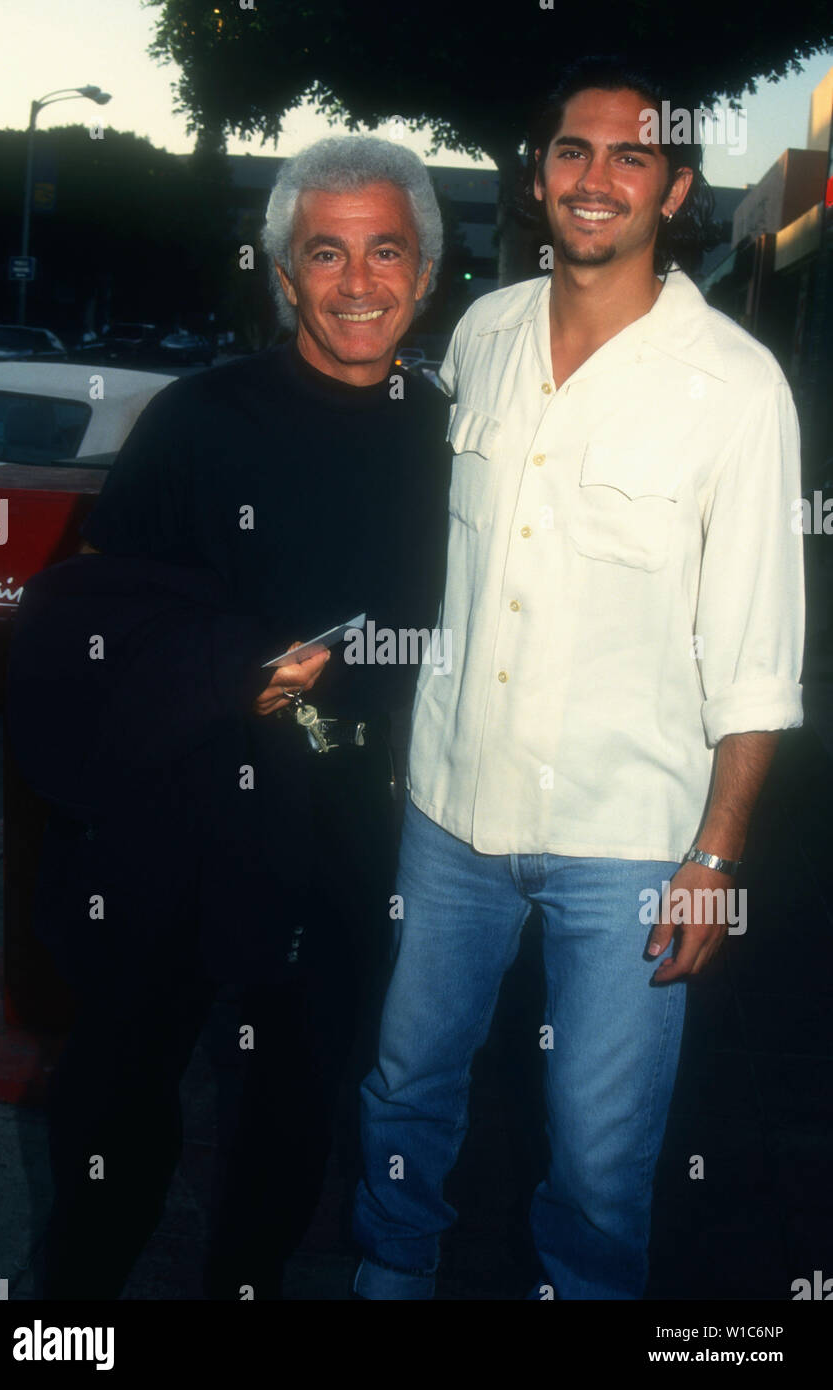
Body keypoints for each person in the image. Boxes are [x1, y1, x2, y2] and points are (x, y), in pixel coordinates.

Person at [352, 57, 805, 1301]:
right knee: (404, 1090)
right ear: (538, 175)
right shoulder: (485, 334)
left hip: (632, 843)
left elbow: (759, 654)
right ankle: (387, 1280)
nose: (595, 178)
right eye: (572, 152)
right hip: (450, 809)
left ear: (673, 190)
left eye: (629, 157)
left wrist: (714, 861)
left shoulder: (736, 389)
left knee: (602, 1157)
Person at [7, 134, 452, 1301]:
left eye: (385, 249)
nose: (359, 281)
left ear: (426, 269)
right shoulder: (198, 418)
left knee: (293, 1115)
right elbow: (77, 624)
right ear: (282, 273)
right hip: (182, 812)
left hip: (351, 827)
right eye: (326, 251)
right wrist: (224, 669)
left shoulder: (453, 433)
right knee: (116, 1103)